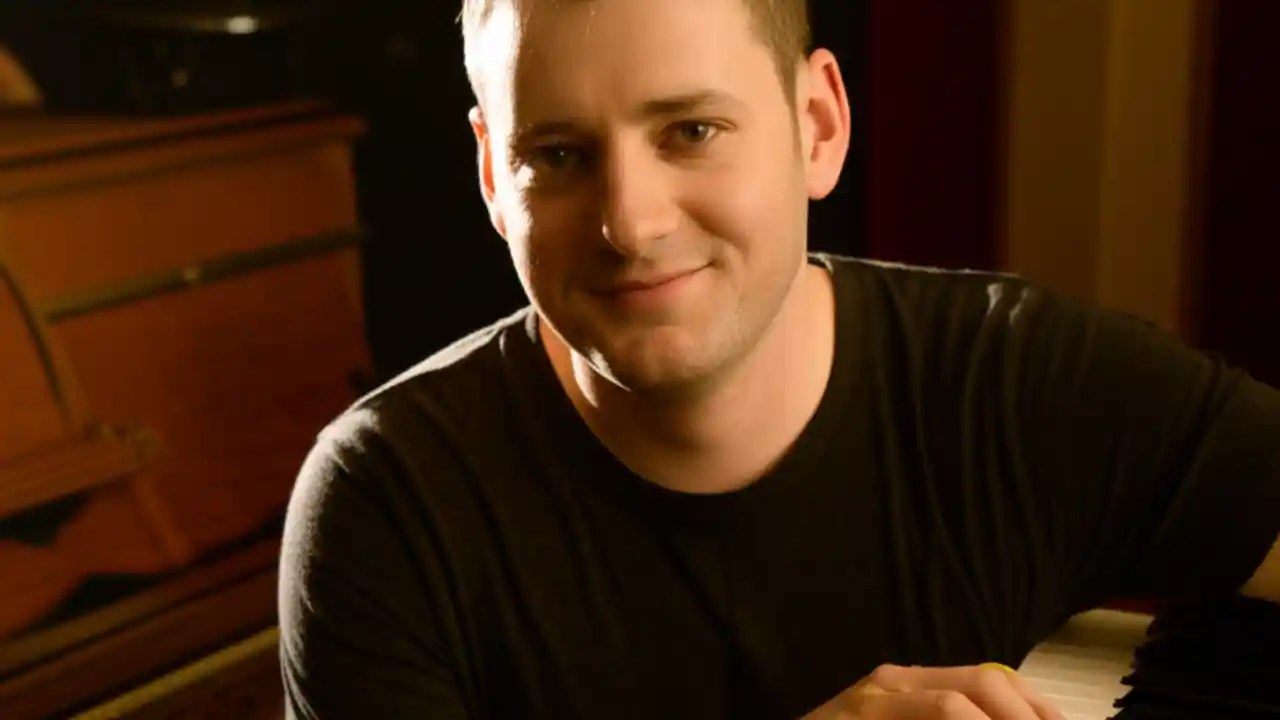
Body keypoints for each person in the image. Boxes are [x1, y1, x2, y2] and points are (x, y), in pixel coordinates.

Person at [278, 0, 1280, 717]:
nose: (630, 224)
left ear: (817, 126)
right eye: (558, 156)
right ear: (495, 177)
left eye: (691, 130)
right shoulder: (384, 500)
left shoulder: (1016, 380)